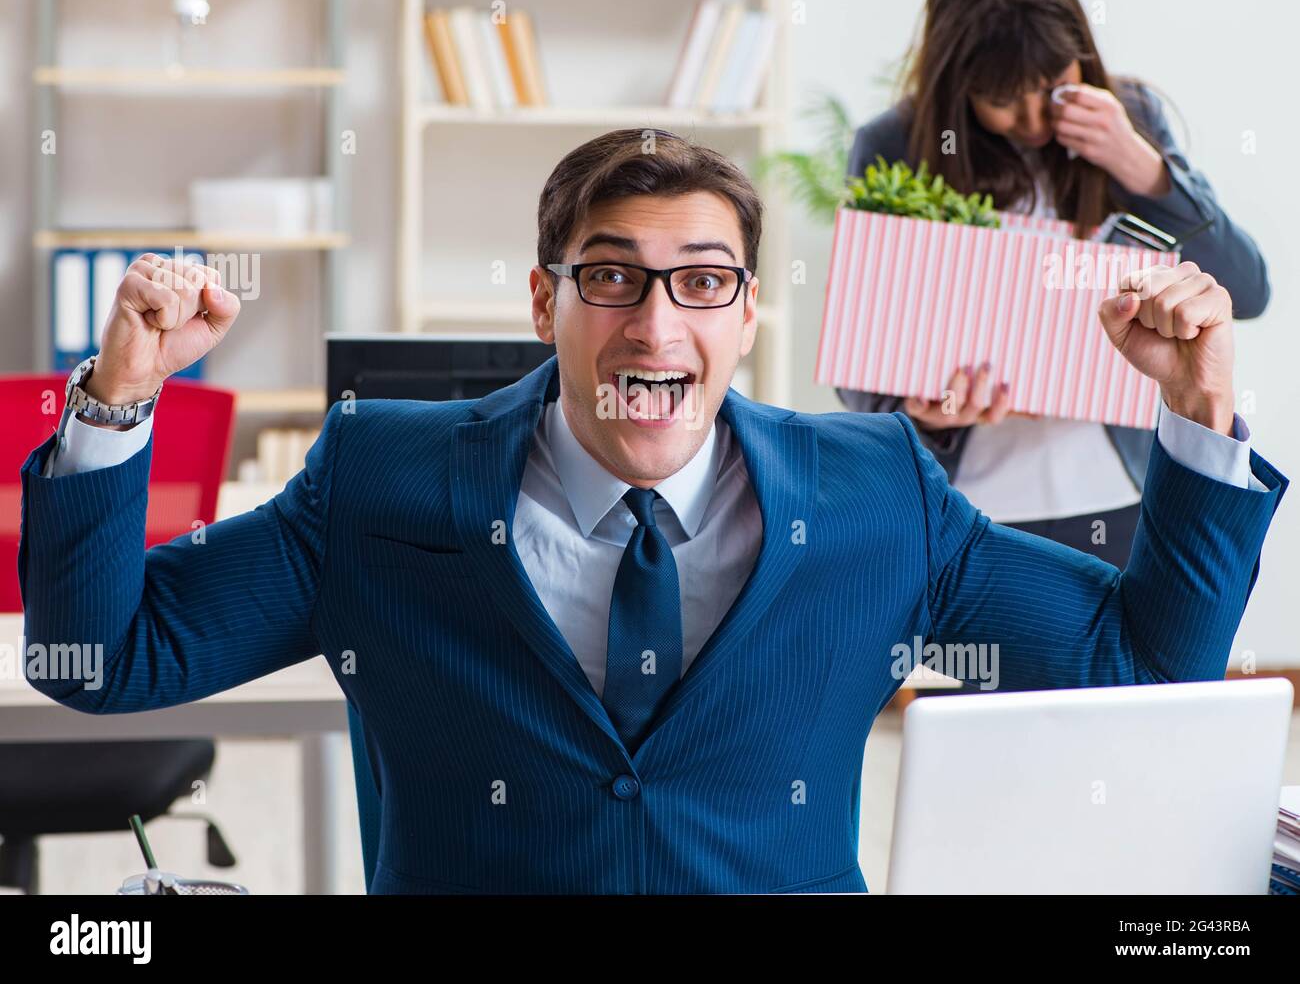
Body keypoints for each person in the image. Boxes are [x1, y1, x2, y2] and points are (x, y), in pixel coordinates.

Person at [19, 129, 1286, 895]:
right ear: (542, 302)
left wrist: (1193, 411)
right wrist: (118, 398)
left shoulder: (877, 494)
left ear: (746, 317)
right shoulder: (380, 482)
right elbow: (107, 658)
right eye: (611, 277)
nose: (654, 321)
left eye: (701, 281)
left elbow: (1137, 662)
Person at [836, 0, 1270, 569]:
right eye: (1007, 99)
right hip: (970, 505)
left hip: (1125, 493)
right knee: (988, 670)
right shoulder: (894, 142)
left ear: (1081, 57)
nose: (1036, 118)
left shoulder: (1133, 116)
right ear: (960, 85)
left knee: (1138, 665)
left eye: (1054, 85)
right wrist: (920, 416)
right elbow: (864, 348)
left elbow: (1246, 291)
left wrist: (1142, 168)